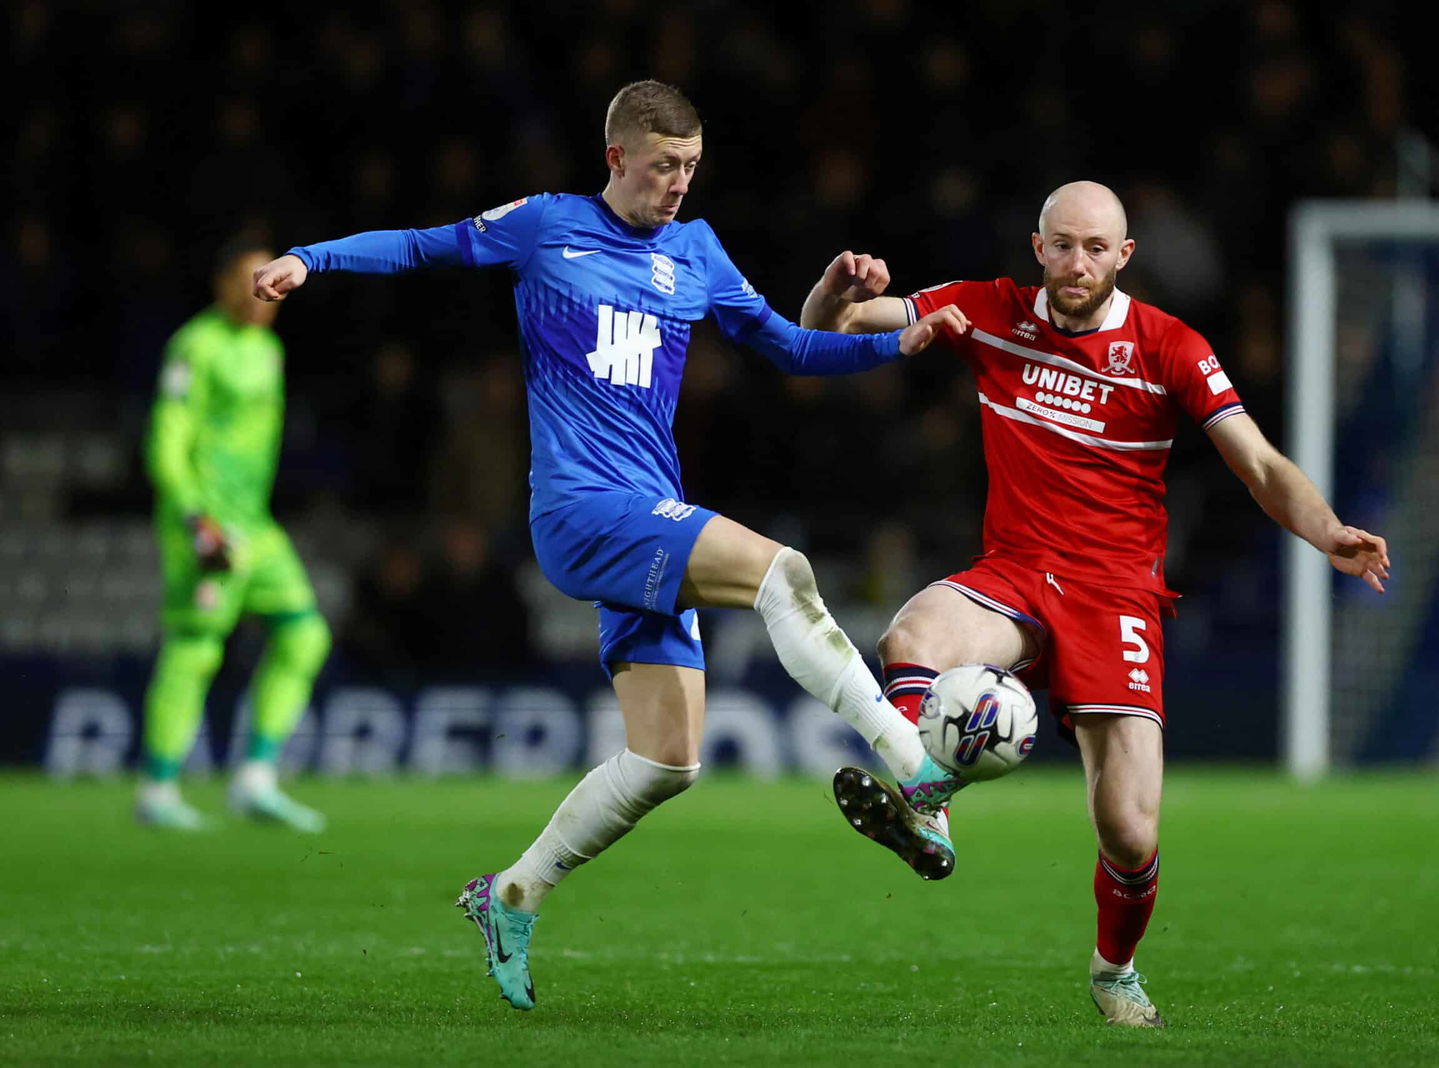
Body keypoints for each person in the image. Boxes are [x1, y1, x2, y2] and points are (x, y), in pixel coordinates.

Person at [250, 80, 970, 1011]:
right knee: (780, 570)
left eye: (692, 168)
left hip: (647, 518)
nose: (679, 184)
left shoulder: (697, 251)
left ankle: (511, 894)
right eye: (665, 165)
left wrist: (898, 341)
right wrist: (311, 259)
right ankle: (913, 764)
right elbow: (422, 246)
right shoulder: (546, 225)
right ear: (617, 158)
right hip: (581, 511)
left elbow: (791, 350)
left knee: (669, 760)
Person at [800, 181, 1390, 1028]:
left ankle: (1115, 971)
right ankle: (928, 803)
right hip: (1017, 572)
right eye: (1063, 245)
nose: (1078, 263)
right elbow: (825, 339)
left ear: (1125, 257)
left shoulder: (1170, 347)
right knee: (912, 632)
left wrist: (1326, 529)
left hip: (1116, 595)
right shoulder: (989, 310)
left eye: (1095, 249)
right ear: (1037, 247)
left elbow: (1257, 464)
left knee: (1129, 831)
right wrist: (834, 293)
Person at [137, 237, 332, 833]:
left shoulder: (267, 348)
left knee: (305, 637)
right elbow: (166, 441)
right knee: (195, 648)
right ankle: (158, 788)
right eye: (253, 281)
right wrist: (195, 518)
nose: (265, 293)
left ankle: (254, 779)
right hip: (210, 526)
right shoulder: (197, 346)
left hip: (256, 527)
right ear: (223, 284)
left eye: (273, 282)